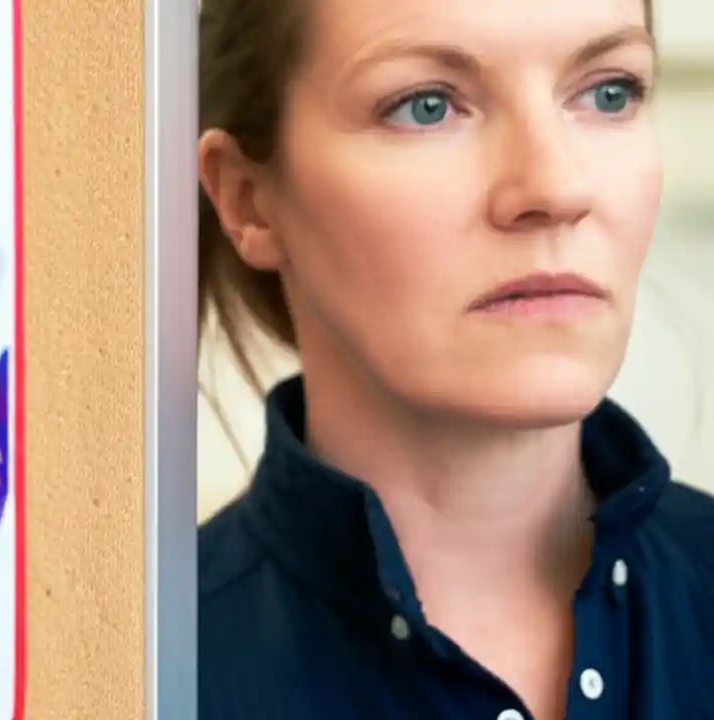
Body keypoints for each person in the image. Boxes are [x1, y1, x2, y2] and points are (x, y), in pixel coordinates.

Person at [196, 0, 714, 718]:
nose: (557, 189)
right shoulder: (142, 681)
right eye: (427, 106)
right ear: (248, 199)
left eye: (608, 92)